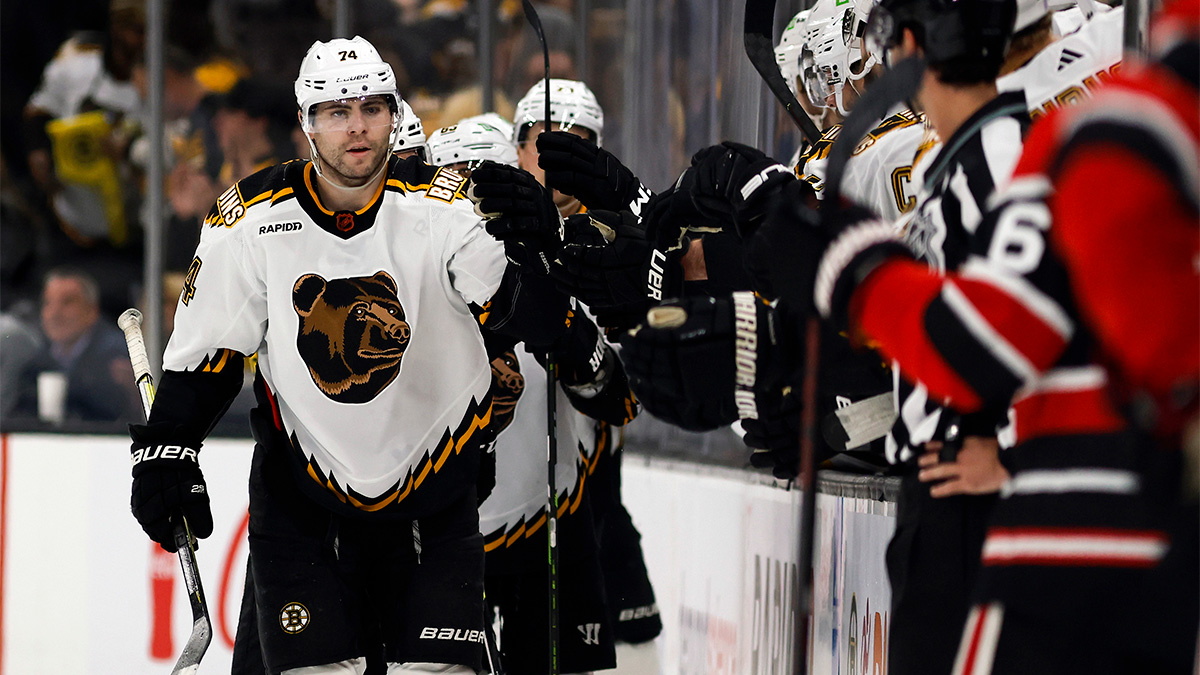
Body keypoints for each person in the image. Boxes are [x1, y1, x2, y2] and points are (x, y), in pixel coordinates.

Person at [127, 35, 568, 675]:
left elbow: (519, 312)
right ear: (307, 126)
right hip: (303, 502)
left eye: (372, 108)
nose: (357, 127)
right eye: (337, 112)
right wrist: (167, 450)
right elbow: (208, 353)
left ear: (394, 114)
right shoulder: (248, 217)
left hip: (434, 492)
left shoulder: (445, 208)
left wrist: (540, 250)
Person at [13, 267, 139, 423]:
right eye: (47, 303)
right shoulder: (35, 361)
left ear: (92, 311)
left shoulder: (118, 356)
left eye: (67, 302)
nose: (55, 313)